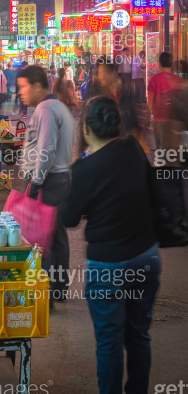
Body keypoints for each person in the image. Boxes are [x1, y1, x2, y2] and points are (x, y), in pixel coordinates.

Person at [60, 96, 160, 394]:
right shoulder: (132, 148)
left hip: (107, 267)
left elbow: (68, 218)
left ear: (86, 128)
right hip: (146, 257)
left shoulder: (84, 169)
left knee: (109, 342)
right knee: (139, 335)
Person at [17, 65, 75, 305]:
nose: (20, 92)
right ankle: (59, 288)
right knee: (56, 234)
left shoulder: (45, 109)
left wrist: (36, 181)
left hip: (50, 181)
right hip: (60, 179)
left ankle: (45, 296)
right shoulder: (57, 106)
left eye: (23, 87)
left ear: (37, 86)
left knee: (41, 240)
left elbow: (47, 149)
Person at [147, 52, 184, 149]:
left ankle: (161, 160)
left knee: (160, 147)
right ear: (171, 63)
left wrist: (147, 118)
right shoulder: (178, 80)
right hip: (173, 119)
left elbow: (150, 100)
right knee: (172, 147)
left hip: (158, 118)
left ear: (159, 63)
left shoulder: (154, 79)